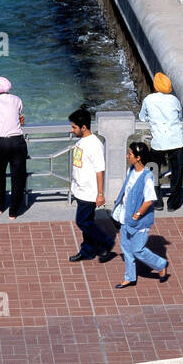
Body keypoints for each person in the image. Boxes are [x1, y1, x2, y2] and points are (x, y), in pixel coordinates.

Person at [111, 141, 169, 289]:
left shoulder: (147, 177)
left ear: (138, 157)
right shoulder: (130, 171)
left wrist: (137, 214)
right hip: (126, 217)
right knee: (126, 248)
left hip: (139, 221)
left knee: (137, 250)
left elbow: (149, 200)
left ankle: (161, 264)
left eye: (130, 154)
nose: (127, 156)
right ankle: (129, 277)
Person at [67, 107, 115, 263]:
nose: (71, 130)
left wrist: (100, 194)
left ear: (84, 127)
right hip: (80, 190)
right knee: (88, 222)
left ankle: (106, 242)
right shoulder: (82, 142)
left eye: (74, 127)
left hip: (89, 192)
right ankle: (87, 251)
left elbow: (100, 170)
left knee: (82, 222)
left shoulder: (94, 145)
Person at [0, 76, 28, 219]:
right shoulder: (17, 99)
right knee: (18, 177)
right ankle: (14, 212)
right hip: (18, 141)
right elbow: (18, 117)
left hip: (2, 142)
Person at [139, 72, 183, 210]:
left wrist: (151, 120)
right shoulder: (174, 100)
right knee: (177, 173)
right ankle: (173, 203)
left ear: (155, 85)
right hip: (176, 141)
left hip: (158, 142)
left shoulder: (148, 99)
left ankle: (157, 200)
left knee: (152, 170)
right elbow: (179, 115)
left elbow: (142, 117)